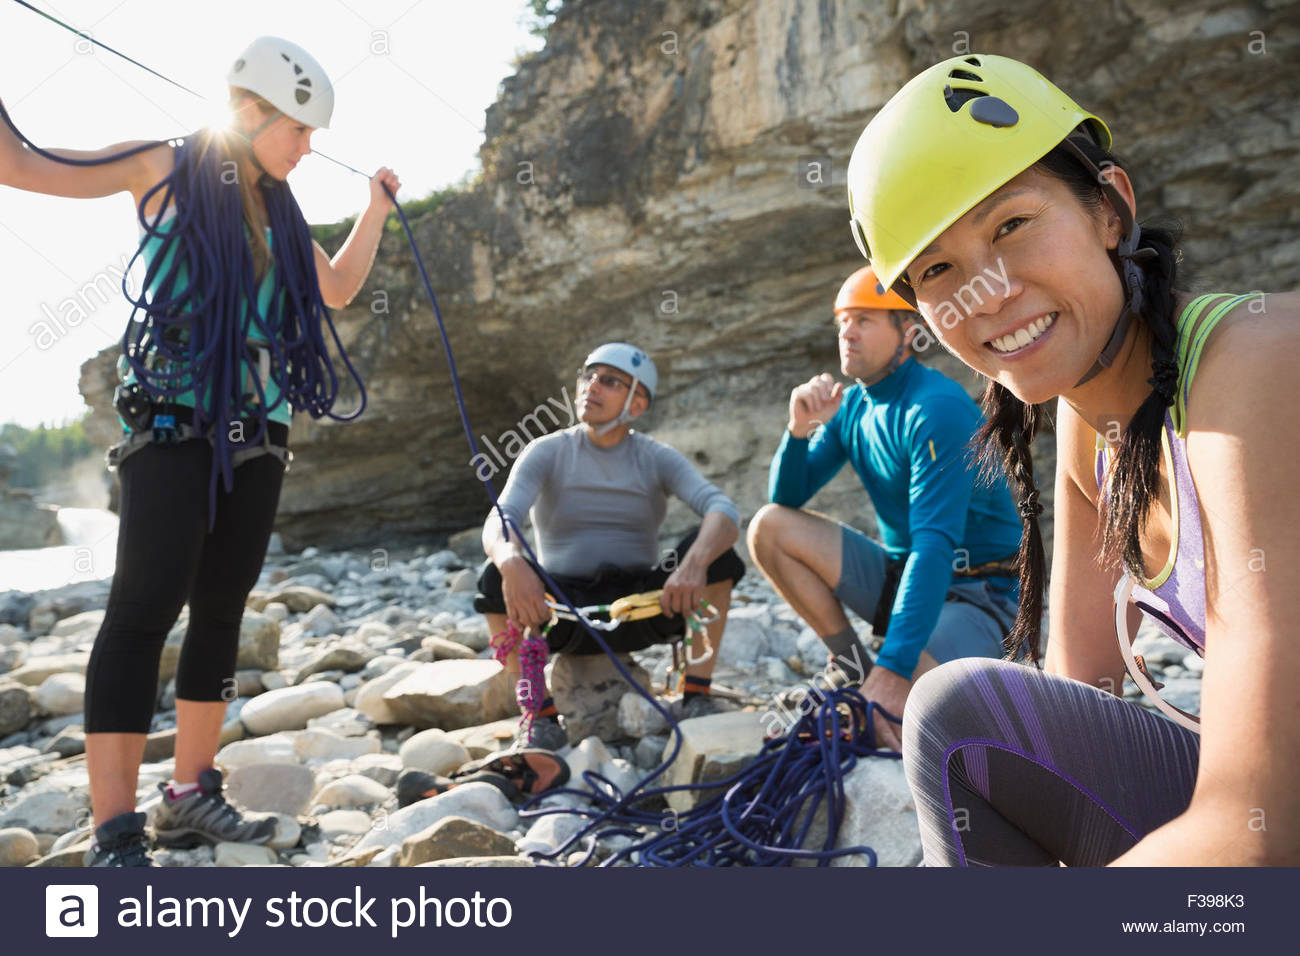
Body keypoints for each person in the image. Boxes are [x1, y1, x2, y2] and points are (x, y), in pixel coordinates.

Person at [847, 53, 1300, 865]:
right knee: (958, 717)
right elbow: (1073, 702)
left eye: (1011, 225)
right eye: (939, 269)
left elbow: (1261, 833)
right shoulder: (1092, 426)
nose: (984, 293)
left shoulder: (1256, 364)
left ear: (1110, 209)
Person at [0, 36, 401, 866]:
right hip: (172, 424)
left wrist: (376, 210)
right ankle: (116, 830)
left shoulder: (284, 211)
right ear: (249, 112)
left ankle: (190, 793)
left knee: (222, 610)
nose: (308, 146)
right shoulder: (162, 166)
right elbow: (23, 165)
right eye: (298, 129)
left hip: (261, 434)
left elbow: (337, 290)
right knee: (144, 609)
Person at [403, 344, 744, 801]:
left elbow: (722, 509)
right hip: (561, 613)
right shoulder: (547, 451)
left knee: (720, 557)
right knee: (491, 578)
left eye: (609, 381)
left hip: (639, 609)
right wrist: (510, 562)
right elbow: (501, 518)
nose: (591, 388)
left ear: (637, 403)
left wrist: (695, 564)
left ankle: (696, 694)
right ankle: (540, 720)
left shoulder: (656, 457)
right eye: (588, 376)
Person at [747, 265, 1023, 751]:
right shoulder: (852, 406)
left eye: (865, 321)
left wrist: (895, 671)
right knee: (769, 528)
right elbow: (786, 500)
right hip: (906, 581)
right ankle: (856, 667)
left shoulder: (934, 408)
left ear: (908, 334)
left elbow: (934, 546)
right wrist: (798, 430)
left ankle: (889, 672)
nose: (847, 332)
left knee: (914, 719)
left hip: (981, 591)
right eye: (842, 322)